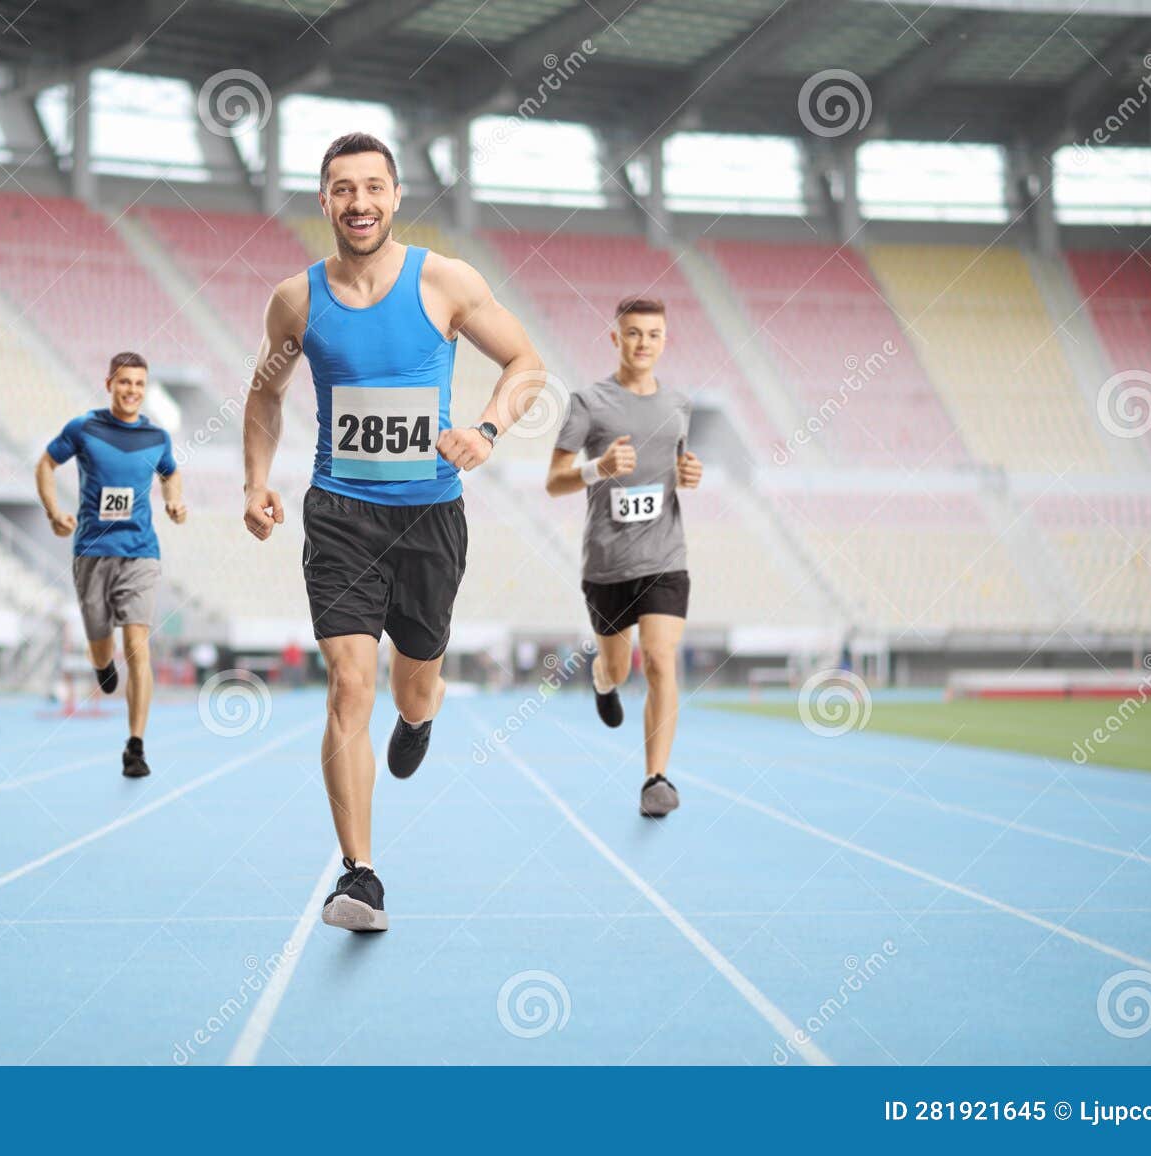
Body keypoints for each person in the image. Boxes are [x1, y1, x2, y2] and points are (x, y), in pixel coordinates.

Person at [242, 132, 545, 933]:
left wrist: (484, 428)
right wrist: (254, 481)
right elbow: (265, 396)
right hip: (340, 513)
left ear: (396, 194)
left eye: (372, 186)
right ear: (325, 201)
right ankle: (360, 874)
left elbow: (527, 365)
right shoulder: (295, 300)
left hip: (429, 517)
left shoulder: (445, 281)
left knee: (413, 683)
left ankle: (420, 717)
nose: (359, 202)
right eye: (343, 189)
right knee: (349, 683)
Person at [546, 297, 703, 818]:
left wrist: (689, 474)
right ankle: (602, 681)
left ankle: (655, 779)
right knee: (616, 665)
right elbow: (554, 482)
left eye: (653, 335)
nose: (643, 344)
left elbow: (678, 467)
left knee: (659, 659)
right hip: (607, 563)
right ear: (615, 338)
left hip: (665, 556)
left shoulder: (680, 404)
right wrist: (600, 468)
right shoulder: (587, 403)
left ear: (665, 340)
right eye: (633, 334)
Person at [36, 351, 185, 779]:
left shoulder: (157, 437)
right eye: (124, 383)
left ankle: (135, 746)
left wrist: (173, 500)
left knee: (137, 644)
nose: (132, 391)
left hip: (140, 551)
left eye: (139, 384)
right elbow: (45, 464)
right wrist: (53, 511)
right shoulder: (85, 428)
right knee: (103, 645)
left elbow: (171, 473)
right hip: (91, 553)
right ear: (109, 384)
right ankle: (102, 664)